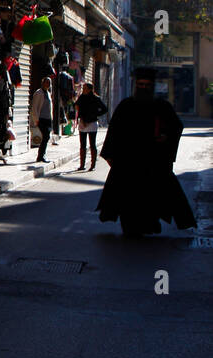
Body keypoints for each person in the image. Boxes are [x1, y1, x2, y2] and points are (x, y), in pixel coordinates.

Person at [96, 67, 196, 237]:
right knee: (127, 200)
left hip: (153, 163)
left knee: (152, 198)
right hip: (128, 164)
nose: (143, 87)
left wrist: (165, 137)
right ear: (136, 85)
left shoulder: (161, 106)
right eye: (140, 84)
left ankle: (150, 223)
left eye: (147, 85)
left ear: (152, 86)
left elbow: (176, 127)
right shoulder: (126, 106)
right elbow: (114, 131)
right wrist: (111, 156)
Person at [73, 82, 108, 171]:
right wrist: (77, 107)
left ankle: (93, 165)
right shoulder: (81, 97)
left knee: (92, 144)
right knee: (82, 144)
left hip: (92, 123)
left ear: (89, 89)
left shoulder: (96, 98)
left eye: (85, 88)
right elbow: (76, 106)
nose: (83, 90)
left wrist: (95, 115)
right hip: (82, 122)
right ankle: (82, 165)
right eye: (83, 88)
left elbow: (104, 109)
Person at [30, 76, 54, 162]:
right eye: (46, 82)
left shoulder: (48, 93)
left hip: (48, 119)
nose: (47, 84)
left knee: (46, 137)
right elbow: (34, 107)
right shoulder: (39, 93)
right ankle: (40, 156)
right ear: (42, 83)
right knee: (46, 136)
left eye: (49, 83)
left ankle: (41, 155)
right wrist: (36, 119)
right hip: (41, 119)